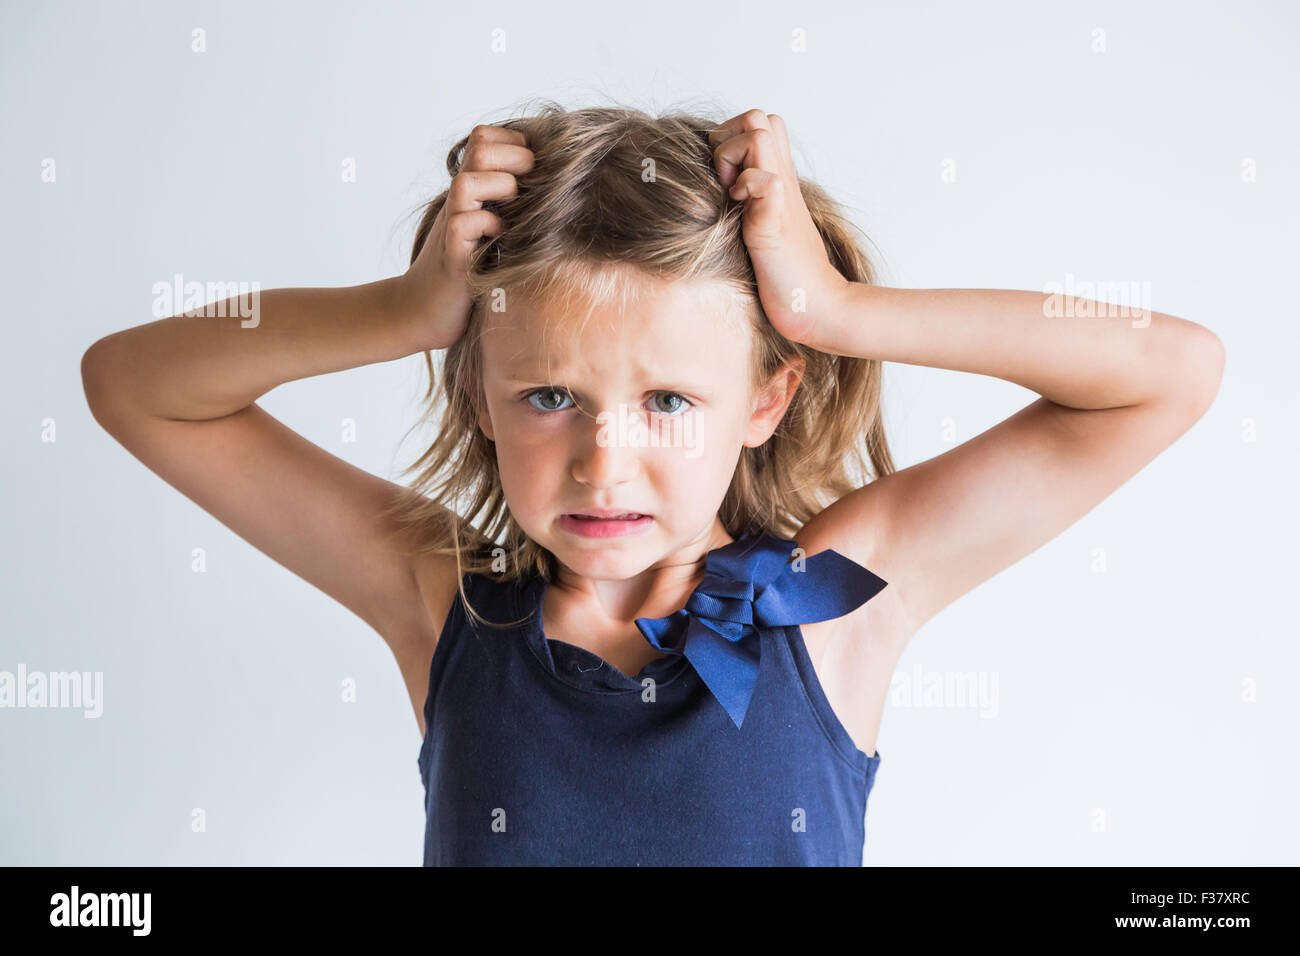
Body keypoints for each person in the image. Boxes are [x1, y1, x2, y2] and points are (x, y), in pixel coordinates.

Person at [80, 102, 1225, 866]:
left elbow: (1171, 372)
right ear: (480, 393)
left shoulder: (835, 603)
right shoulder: (442, 603)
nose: (601, 460)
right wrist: (401, 311)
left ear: (764, 399)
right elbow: (132, 382)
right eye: (547, 395)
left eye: (669, 400)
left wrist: (835, 311)